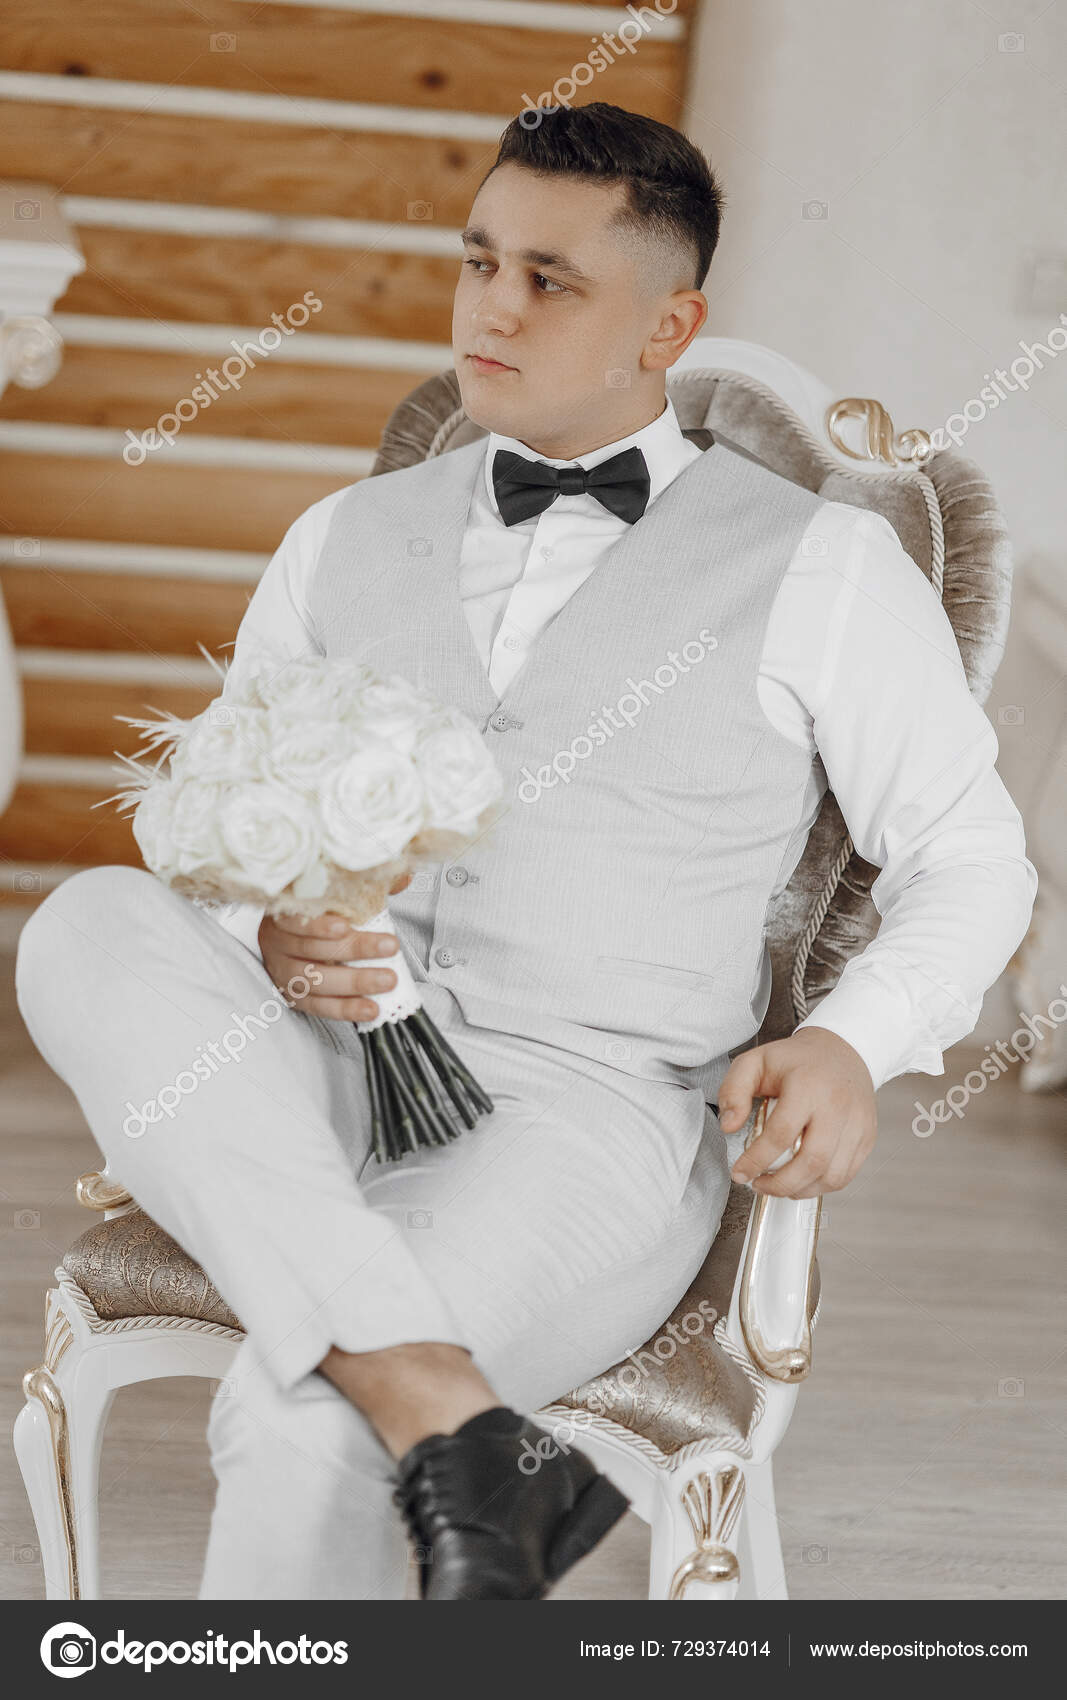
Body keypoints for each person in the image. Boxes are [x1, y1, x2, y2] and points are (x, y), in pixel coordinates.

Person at [16, 102, 1036, 1601]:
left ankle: (393, 1405)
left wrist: (846, 1041)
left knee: (302, 1423)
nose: (490, 306)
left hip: (585, 1116)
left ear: (667, 322)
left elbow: (973, 857)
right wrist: (260, 937)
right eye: (479, 259)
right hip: (298, 1065)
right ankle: (450, 1409)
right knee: (84, 922)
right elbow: (212, 844)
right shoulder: (341, 533)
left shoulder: (824, 566)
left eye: (549, 279)